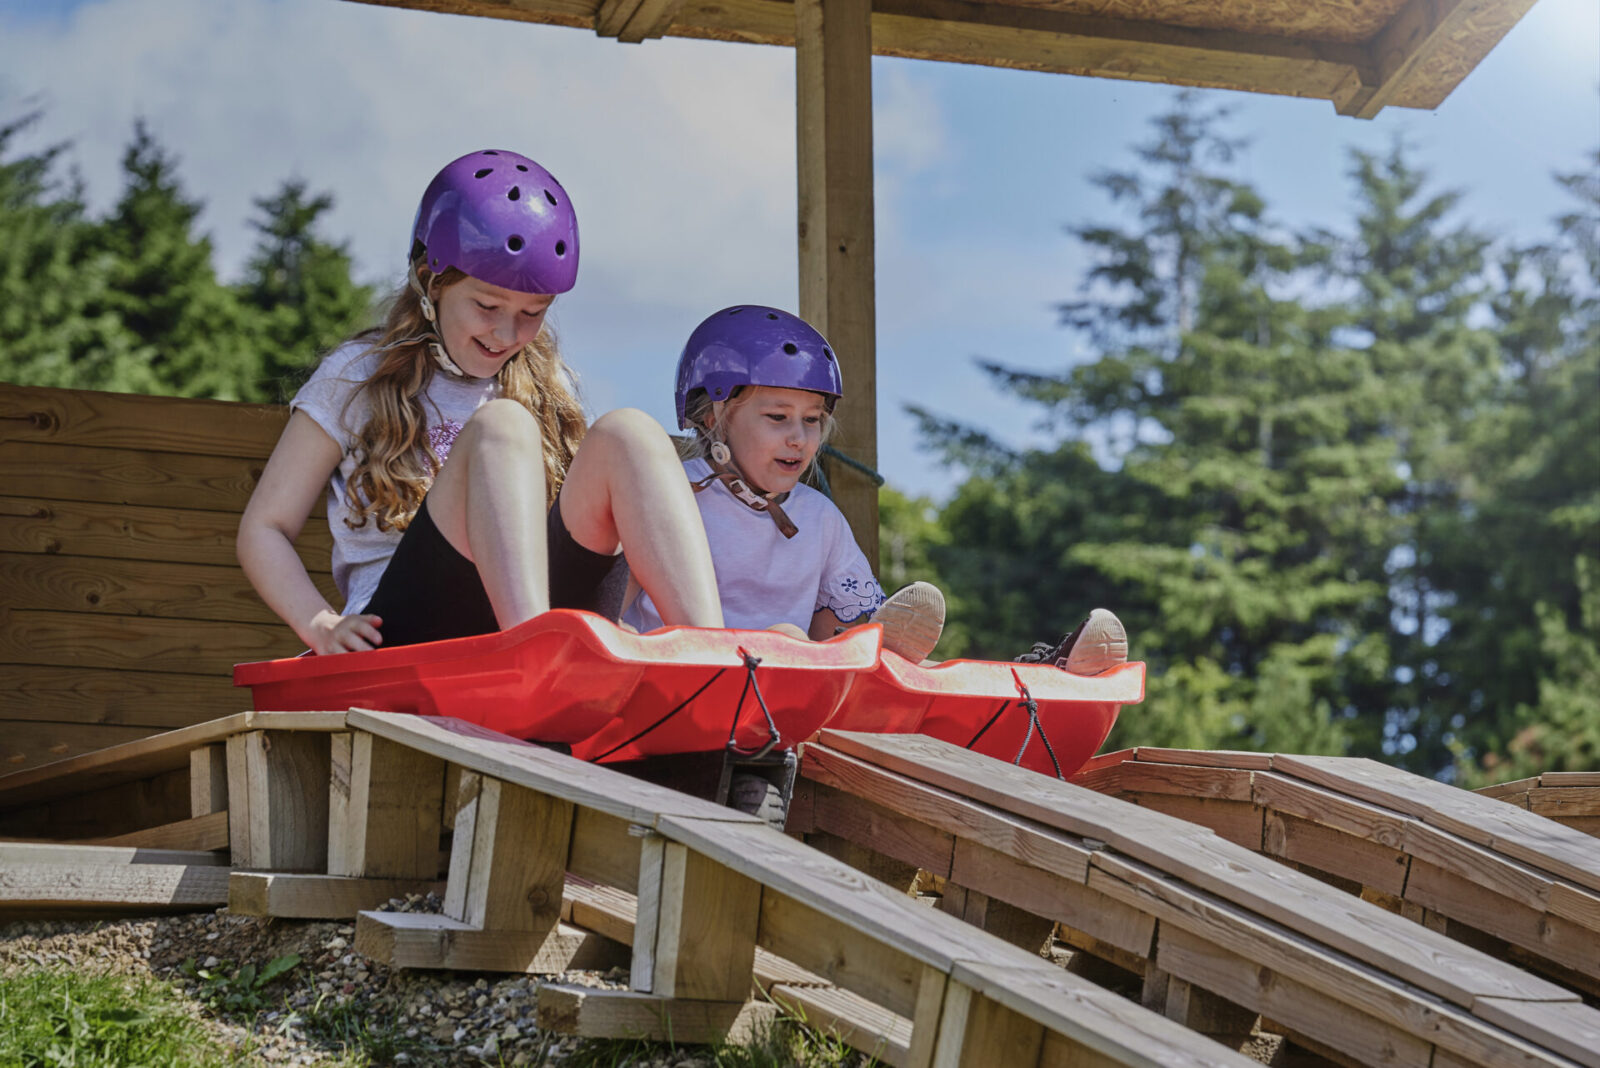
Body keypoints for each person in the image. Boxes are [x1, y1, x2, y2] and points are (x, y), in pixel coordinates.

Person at [238, 149, 724, 655]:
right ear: (431, 281)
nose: (507, 333)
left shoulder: (543, 383)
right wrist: (318, 624)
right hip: (409, 634)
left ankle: (723, 666)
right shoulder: (356, 375)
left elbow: (597, 543)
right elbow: (264, 528)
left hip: (530, 615)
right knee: (502, 427)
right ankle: (530, 655)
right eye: (487, 306)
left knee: (630, 432)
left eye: (533, 312)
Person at [619, 305, 1127, 674]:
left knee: (887, 659)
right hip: (680, 685)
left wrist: (869, 641)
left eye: (813, 420)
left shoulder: (817, 516)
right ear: (712, 417)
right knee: (788, 639)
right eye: (777, 417)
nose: (799, 437)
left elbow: (837, 629)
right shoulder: (669, 492)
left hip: (795, 688)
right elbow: (614, 616)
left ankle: (1032, 682)